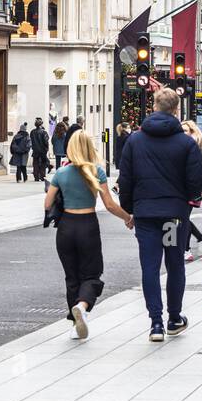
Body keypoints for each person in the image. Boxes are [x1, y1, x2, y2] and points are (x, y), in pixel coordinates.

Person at [118, 87, 202, 343]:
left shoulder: (135, 140)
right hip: (173, 215)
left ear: (154, 107)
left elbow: (126, 178)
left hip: (145, 214)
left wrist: (130, 209)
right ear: (176, 109)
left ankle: (155, 322)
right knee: (175, 264)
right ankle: (174, 317)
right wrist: (187, 203)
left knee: (150, 266)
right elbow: (196, 179)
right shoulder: (186, 143)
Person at [44, 129, 133, 340]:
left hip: (66, 227)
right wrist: (128, 217)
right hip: (87, 225)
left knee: (71, 277)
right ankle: (82, 307)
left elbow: (47, 204)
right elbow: (110, 205)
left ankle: (76, 325)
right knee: (92, 274)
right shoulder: (97, 172)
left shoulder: (61, 173)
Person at [181, 120, 202, 261]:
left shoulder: (192, 145)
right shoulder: (190, 144)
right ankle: (200, 238)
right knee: (183, 218)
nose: (183, 133)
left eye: (185, 130)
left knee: (183, 219)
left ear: (192, 132)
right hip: (188, 188)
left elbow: (194, 171)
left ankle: (186, 249)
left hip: (189, 189)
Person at [30, 117, 50, 182]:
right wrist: (47, 148)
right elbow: (46, 141)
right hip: (42, 150)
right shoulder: (43, 132)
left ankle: (36, 176)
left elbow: (31, 141)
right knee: (43, 163)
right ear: (41, 124)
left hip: (35, 150)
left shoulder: (32, 132)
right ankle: (42, 175)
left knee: (35, 163)